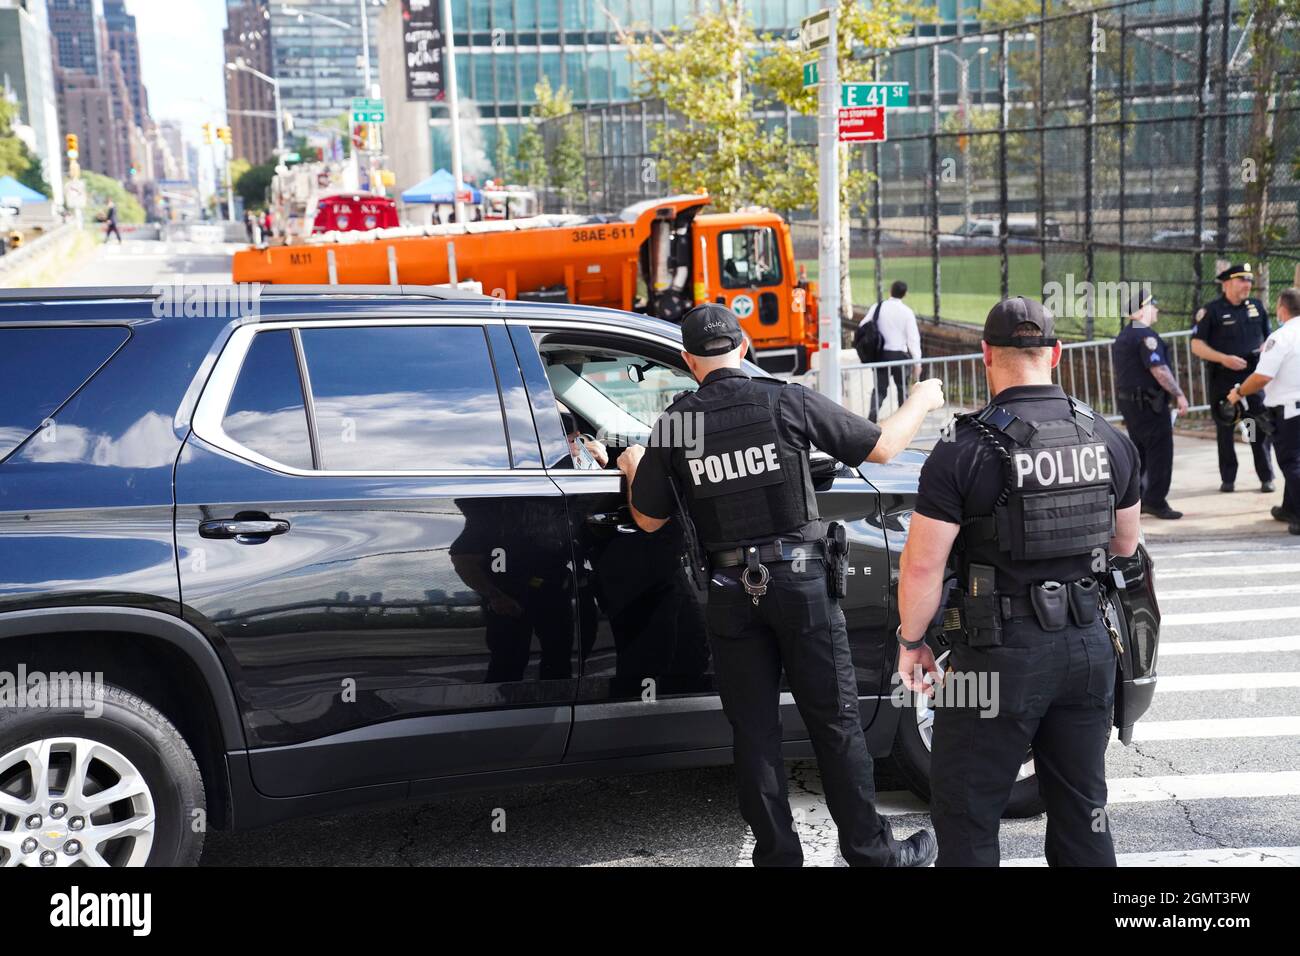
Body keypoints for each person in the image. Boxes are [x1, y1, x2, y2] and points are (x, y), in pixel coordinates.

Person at [616, 303, 944, 867]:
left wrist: (632, 464)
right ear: (743, 348)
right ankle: (873, 855)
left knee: (754, 732)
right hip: (801, 583)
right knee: (836, 721)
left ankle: (776, 858)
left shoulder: (677, 423)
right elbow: (883, 448)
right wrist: (922, 398)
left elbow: (647, 519)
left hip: (727, 591)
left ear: (688, 361)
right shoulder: (782, 398)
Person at [896, 296, 1142, 867]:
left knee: (964, 808)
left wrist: (912, 643)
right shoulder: (1107, 437)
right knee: (1083, 808)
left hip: (992, 656)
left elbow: (923, 565)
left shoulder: (963, 449)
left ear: (985, 354)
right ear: (1054, 353)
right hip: (1088, 648)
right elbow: (1126, 546)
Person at [1191, 263, 1274, 492]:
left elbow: (1269, 337)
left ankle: (1266, 476)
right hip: (1223, 379)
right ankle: (1228, 478)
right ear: (1227, 283)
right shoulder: (1212, 311)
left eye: (1249, 280)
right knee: (1225, 429)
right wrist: (1223, 358)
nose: (1248, 284)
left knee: (1256, 426)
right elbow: (1197, 345)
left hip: (1252, 379)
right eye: (1242, 280)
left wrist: (1265, 348)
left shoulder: (1257, 306)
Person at [1228, 289, 1300, 533]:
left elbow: (1261, 377)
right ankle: (1289, 507)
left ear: (1282, 308)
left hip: (1291, 412)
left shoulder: (1281, 337)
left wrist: (1239, 392)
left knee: (1292, 463)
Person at [1111, 290, 1187, 519]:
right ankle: (1156, 500)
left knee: (1140, 453)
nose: (1156, 310)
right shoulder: (1145, 335)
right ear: (1141, 309)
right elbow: (1159, 370)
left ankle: (1140, 497)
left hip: (1132, 405)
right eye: (1152, 306)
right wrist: (1179, 395)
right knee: (1160, 454)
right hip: (1149, 405)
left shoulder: (1124, 335)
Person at [866, 280, 923, 422]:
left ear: (890, 291)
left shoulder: (877, 307)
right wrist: (918, 362)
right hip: (900, 356)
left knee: (879, 389)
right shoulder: (907, 312)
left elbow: (863, 325)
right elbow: (913, 339)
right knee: (902, 389)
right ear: (905, 294)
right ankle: (902, 422)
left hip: (881, 355)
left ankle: (871, 419)